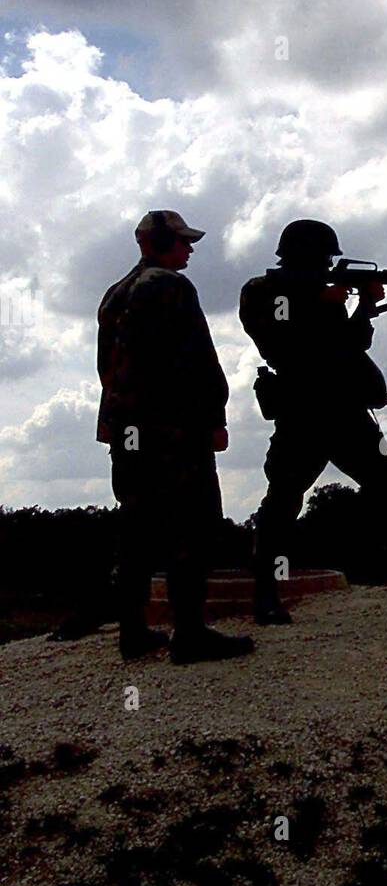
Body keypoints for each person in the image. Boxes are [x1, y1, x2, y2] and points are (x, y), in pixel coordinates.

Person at [97, 210, 254, 664]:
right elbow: (196, 360)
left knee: (137, 527)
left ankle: (133, 631)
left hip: (128, 431)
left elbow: (107, 368)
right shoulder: (171, 286)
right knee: (193, 526)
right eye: (183, 241)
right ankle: (189, 634)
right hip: (174, 430)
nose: (190, 249)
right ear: (162, 242)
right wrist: (214, 417)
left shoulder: (115, 293)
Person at [239, 219, 387, 623]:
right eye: (322, 260)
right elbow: (281, 342)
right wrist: (320, 302)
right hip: (302, 409)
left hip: (344, 408)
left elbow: (351, 343)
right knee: (283, 501)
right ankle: (265, 593)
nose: (327, 267)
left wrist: (364, 306)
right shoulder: (262, 291)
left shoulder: (321, 293)